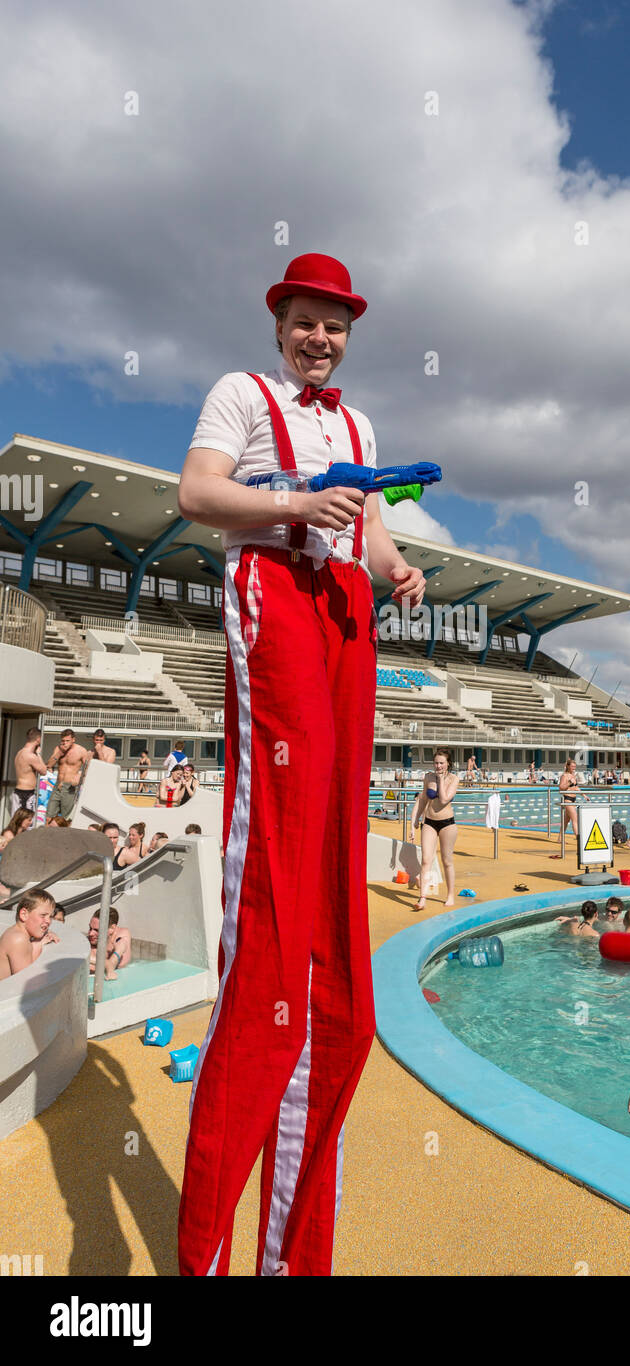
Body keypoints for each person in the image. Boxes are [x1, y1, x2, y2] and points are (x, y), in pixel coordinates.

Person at [176, 251, 426, 1279]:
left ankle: (290, 1251)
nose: (321, 339)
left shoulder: (359, 427)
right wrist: (290, 507)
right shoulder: (242, 396)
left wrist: (399, 568)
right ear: (279, 322)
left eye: (337, 326)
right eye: (307, 321)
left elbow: (365, 530)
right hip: (273, 595)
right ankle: (210, 1248)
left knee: (332, 858)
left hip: (342, 611)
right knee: (278, 858)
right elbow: (195, 494)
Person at [410, 748, 459, 911]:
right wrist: (414, 820)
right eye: (436, 763)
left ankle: (450, 894)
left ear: (448, 764)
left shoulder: (453, 779)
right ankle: (422, 898)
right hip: (429, 822)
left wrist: (440, 780)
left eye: (441, 763)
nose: (438, 766)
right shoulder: (427, 777)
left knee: (447, 861)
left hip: (447, 824)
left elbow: (444, 799)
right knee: (426, 860)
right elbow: (423, 799)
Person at [0, 890, 58, 978]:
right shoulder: (18, 939)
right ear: (24, 914)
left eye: (50, 916)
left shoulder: (15, 931)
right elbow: (25, 980)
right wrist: (38, 945)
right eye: (43, 915)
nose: (48, 921)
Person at [45, 729, 88, 821]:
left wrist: (80, 776)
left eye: (67, 741)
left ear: (73, 739)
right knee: (49, 817)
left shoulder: (81, 750)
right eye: (63, 741)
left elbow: (88, 768)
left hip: (70, 788)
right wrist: (59, 753)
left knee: (65, 819)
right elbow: (49, 764)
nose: (65, 743)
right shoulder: (58, 748)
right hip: (57, 785)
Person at [87, 907, 131, 981]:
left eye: (96, 930)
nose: (90, 933)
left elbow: (115, 966)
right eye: (90, 928)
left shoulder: (122, 935)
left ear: (112, 928)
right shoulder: (90, 944)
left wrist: (107, 965)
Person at [12, 728, 48, 815]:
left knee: (16, 821)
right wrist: (38, 754)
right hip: (26, 794)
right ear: (38, 739)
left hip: (18, 792)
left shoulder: (19, 753)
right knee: (27, 824)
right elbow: (44, 771)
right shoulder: (31, 756)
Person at [558, 758, 588, 841]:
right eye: (572, 766)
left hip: (573, 799)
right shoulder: (564, 776)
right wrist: (569, 782)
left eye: (575, 766)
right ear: (568, 766)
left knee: (566, 821)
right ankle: (579, 839)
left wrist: (584, 795)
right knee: (575, 819)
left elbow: (576, 787)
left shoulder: (573, 775)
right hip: (567, 799)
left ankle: (560, 838)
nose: (574, 768)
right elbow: (561, 788)